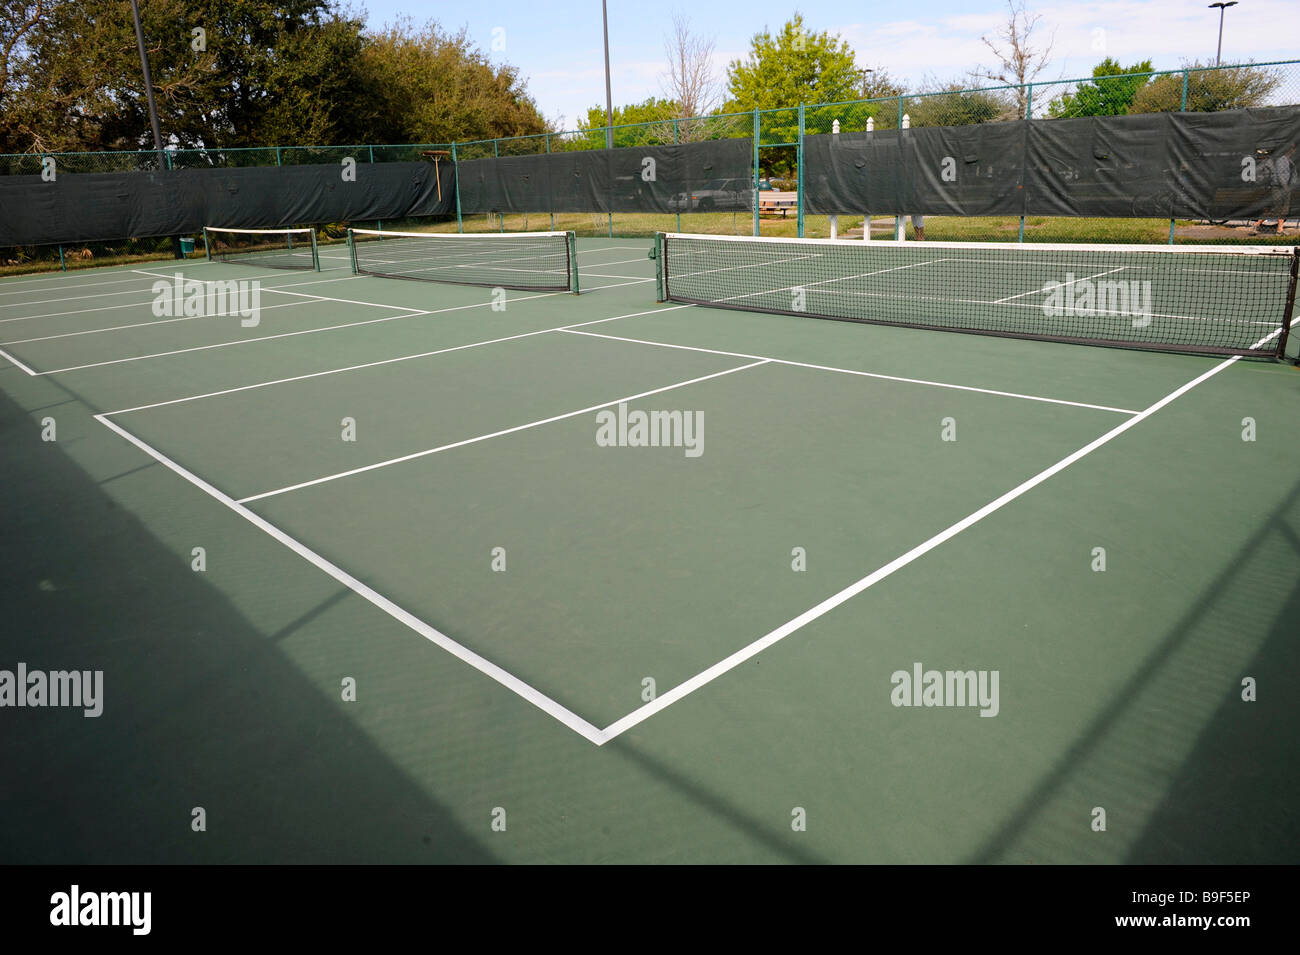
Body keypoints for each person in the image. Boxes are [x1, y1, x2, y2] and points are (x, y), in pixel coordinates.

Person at [1252, 144, 1296, 235]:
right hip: (1279, 188)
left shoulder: (1289, 161)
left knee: (1284, 210)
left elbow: (1292, 174)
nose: (1294, 150)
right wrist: (1285, 187)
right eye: (1292, 148)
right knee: (1276, 209)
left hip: (1286, 188)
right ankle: (1257, 224)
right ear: (1289, 150)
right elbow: (1280, 175)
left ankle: (1280, 229)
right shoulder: (1281, 160)